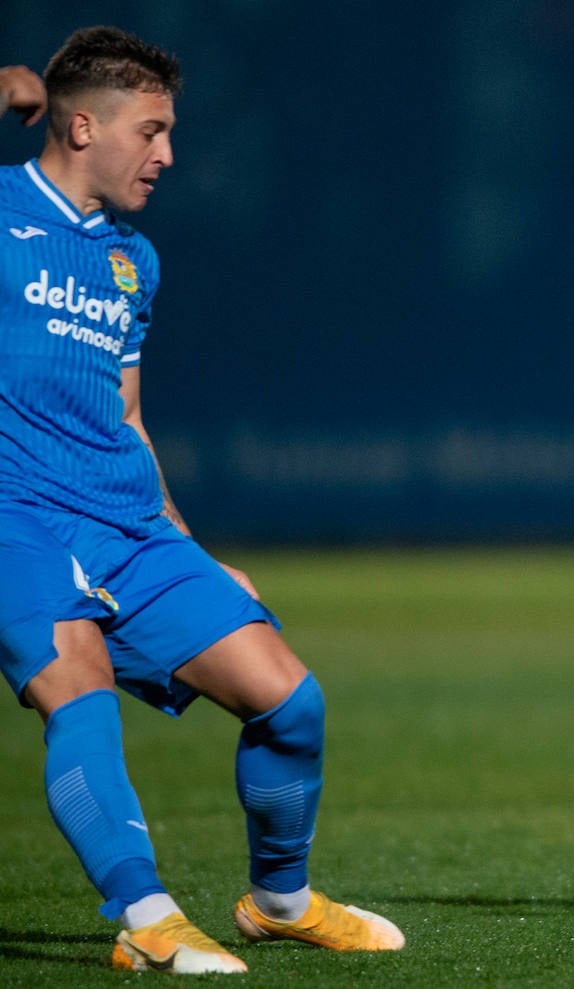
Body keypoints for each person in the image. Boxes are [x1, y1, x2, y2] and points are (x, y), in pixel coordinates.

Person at [0, 28, 403, 974]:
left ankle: (280, 901)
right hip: (18, 512)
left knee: (290, 700)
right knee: (80, 690)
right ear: (82, 125)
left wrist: (187, 544)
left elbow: (129, 417)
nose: (168, 154)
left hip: (129, 525)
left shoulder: (134, 259)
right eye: (152, 130)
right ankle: (144, 917)